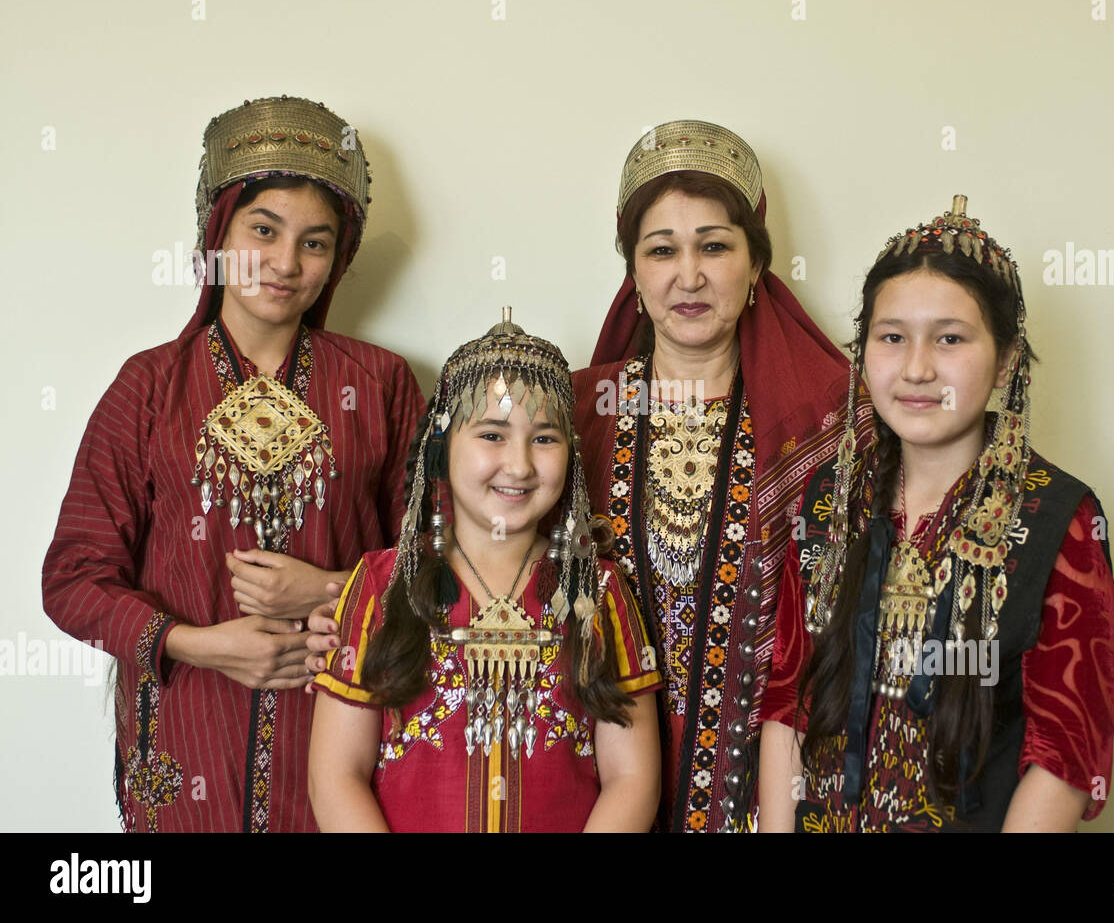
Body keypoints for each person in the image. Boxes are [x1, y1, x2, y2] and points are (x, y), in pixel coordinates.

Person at [42, 96, 425, 832]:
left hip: (341, 749)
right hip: (184, 740)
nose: (285, 263)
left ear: (339, 258)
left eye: (315, 242)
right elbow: (72, 578)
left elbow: (444, 571)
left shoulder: (381, 384)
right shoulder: (149, 386)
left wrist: (334, 588)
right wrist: (202, 644)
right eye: (263, 230)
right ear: (218, 233)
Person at [758, 196, 1114, 832]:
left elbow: (1062, 756)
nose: (918, 369)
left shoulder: (1059, 522)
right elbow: (787, 701)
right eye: (892, 337)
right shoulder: (827, 501)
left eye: (949, 339)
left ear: (1007, 359)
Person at [572, 120, 872, 831]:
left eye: (714, 245)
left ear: (755, 262)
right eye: (662, 250)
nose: (690, 275)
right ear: (634, 273)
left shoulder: (822, 421)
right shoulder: (578, 410)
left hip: (764, 787)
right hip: (595, 785)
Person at [308, 309, 662, 832]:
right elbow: (336, 776)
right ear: (441, 447)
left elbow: (632, 779)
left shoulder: (598, 589)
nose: (519, 465)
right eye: (493, 435)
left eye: (545, 438)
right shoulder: (383, 584)